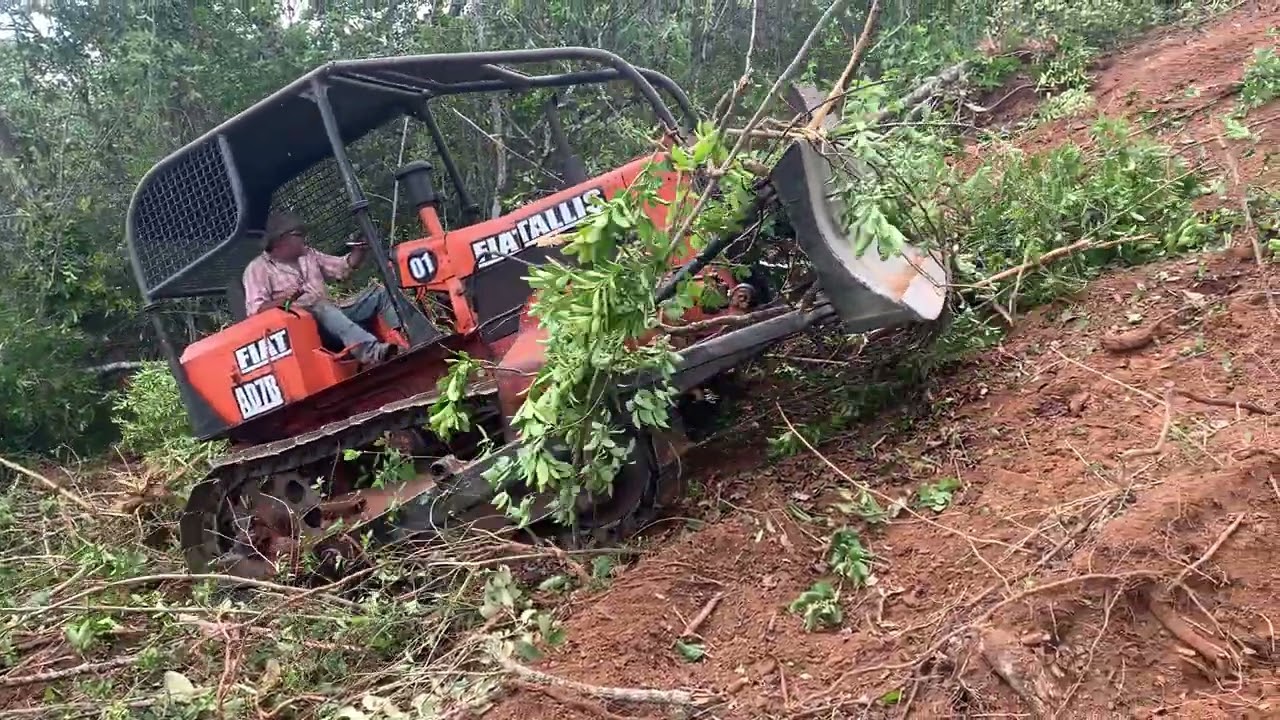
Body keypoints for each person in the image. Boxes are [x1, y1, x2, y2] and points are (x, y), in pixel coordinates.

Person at [242, 211, 399, 365]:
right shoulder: (258, 269)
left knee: (380, 294)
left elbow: (342, 269)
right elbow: (256, 312)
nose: (304, 239)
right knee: (319, 307)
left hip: (335, 316)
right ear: (280, 240)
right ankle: (371, 352)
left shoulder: (309, 254)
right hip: (306, 331)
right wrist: (285, 300)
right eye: (298, 234)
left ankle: (403, 338)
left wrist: (359, 250)